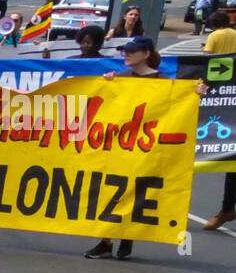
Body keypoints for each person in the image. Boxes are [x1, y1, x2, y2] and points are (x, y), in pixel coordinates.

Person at [88, 37, 207, 259]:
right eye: (125, 51)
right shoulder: (120, 78)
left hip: (145, 148)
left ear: (145, 54)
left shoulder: (162, 82)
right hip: (119, 147)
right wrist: (104, 86)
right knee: (112, 192)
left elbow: (178, 105)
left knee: (135, 193)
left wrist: (196, 93)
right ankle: (106, 241)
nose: (126, 54)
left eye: (131, 51)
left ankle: (126, 237)